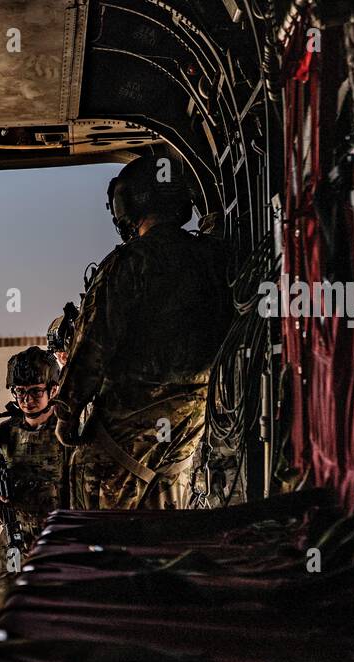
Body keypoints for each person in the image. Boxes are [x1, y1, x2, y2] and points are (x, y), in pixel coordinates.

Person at [53, 154, 232, 509]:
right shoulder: (215, 257)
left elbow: (92, 346)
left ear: (128, 207)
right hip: (193, 421)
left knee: (90, 528)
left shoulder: (130, 262)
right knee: (161, 532)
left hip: (129, 426)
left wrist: (67, 411)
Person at [0, 346, 69, 616]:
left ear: (54, 390)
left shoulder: (68, 434)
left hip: (62, 546)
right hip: (16, 543)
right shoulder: (3, 434)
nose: (26, 400)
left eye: (35, 391)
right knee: (3, 613)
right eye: (20, 392)